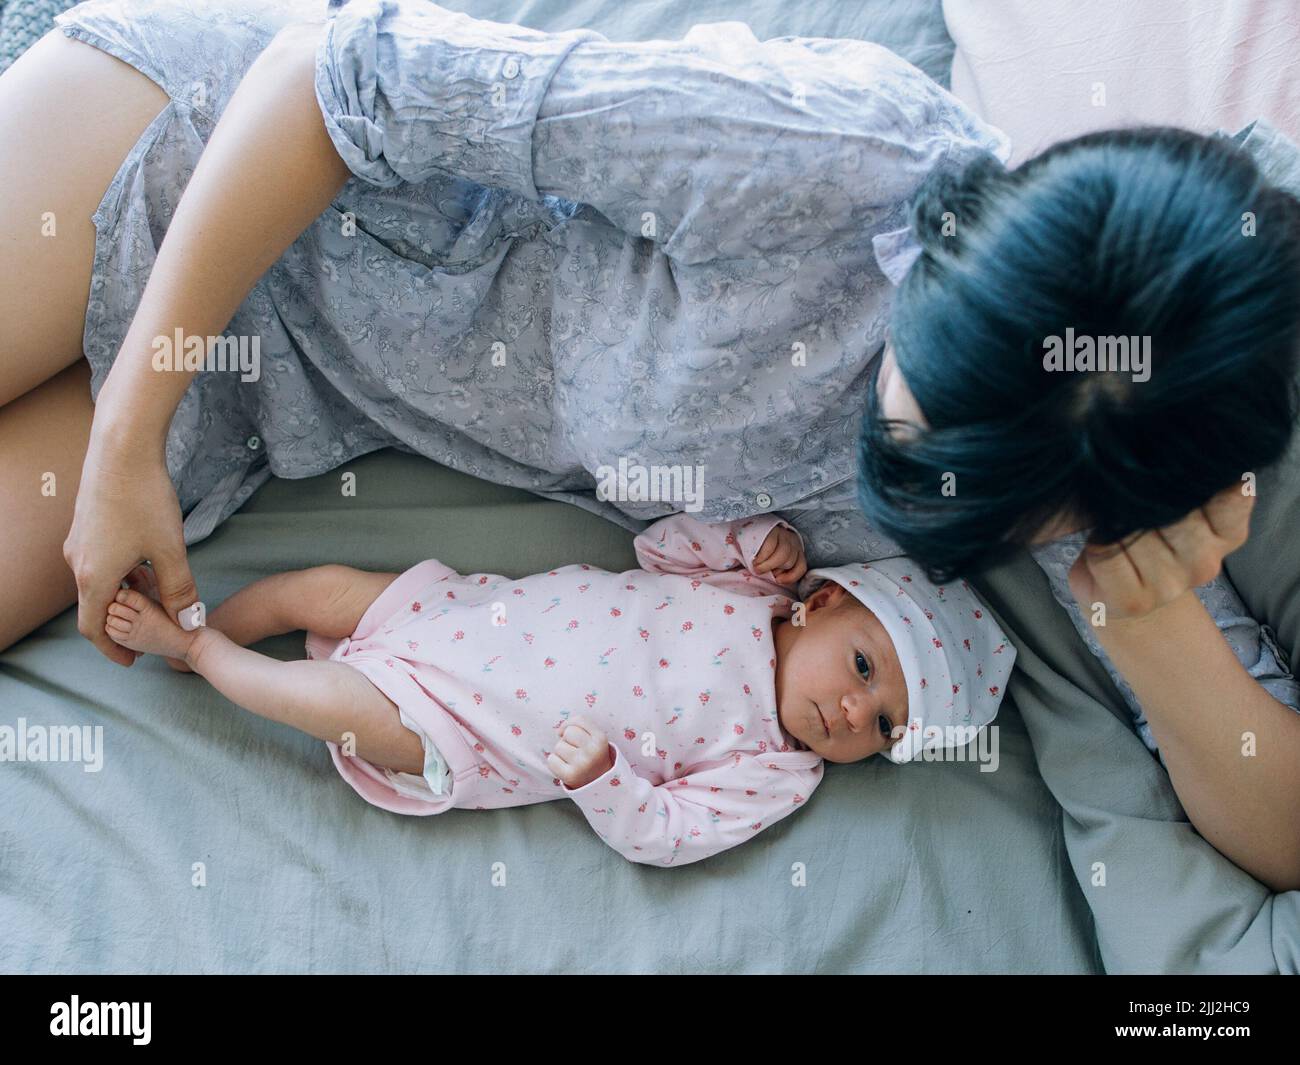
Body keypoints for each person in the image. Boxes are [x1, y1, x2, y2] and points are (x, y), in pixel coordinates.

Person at [97, 512, 1014, 866]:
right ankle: (198, 627)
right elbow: (657, 545)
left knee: (329, 702)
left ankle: (212, 657)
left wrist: (607, 777)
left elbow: (672, 834)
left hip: (475, 733)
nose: (856, 712)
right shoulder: (748, 589)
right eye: (864, 669)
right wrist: (745, 539)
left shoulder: (778, 769)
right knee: (322, 589)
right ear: (819, 603)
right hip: (463, 616)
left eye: (885, 724)